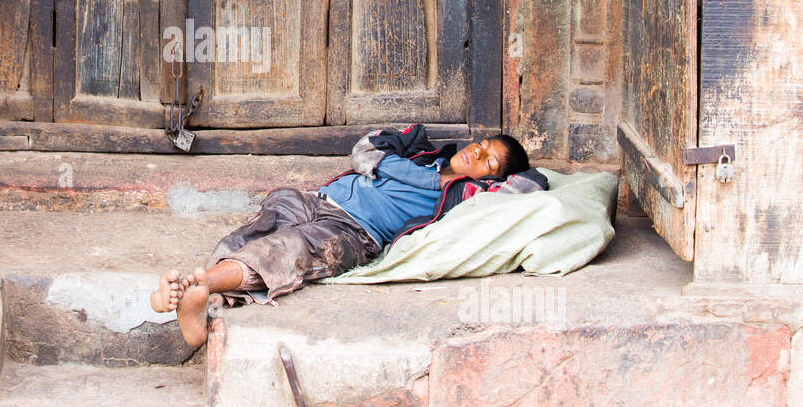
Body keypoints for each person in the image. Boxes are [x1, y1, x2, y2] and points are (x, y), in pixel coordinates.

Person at [150, 130, 534, 346]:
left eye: (489, 162)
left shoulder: (468, 195)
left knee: (289, 248)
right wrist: (425, 174)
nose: (476, 154)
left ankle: (198, 284)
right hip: (318, 199)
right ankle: (202, 297)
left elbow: (533, 185)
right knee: (265, 220)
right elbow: (364, 148)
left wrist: (446, 183)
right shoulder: (422, 150)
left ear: (492, 178)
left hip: (353, 231)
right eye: (481, 145)